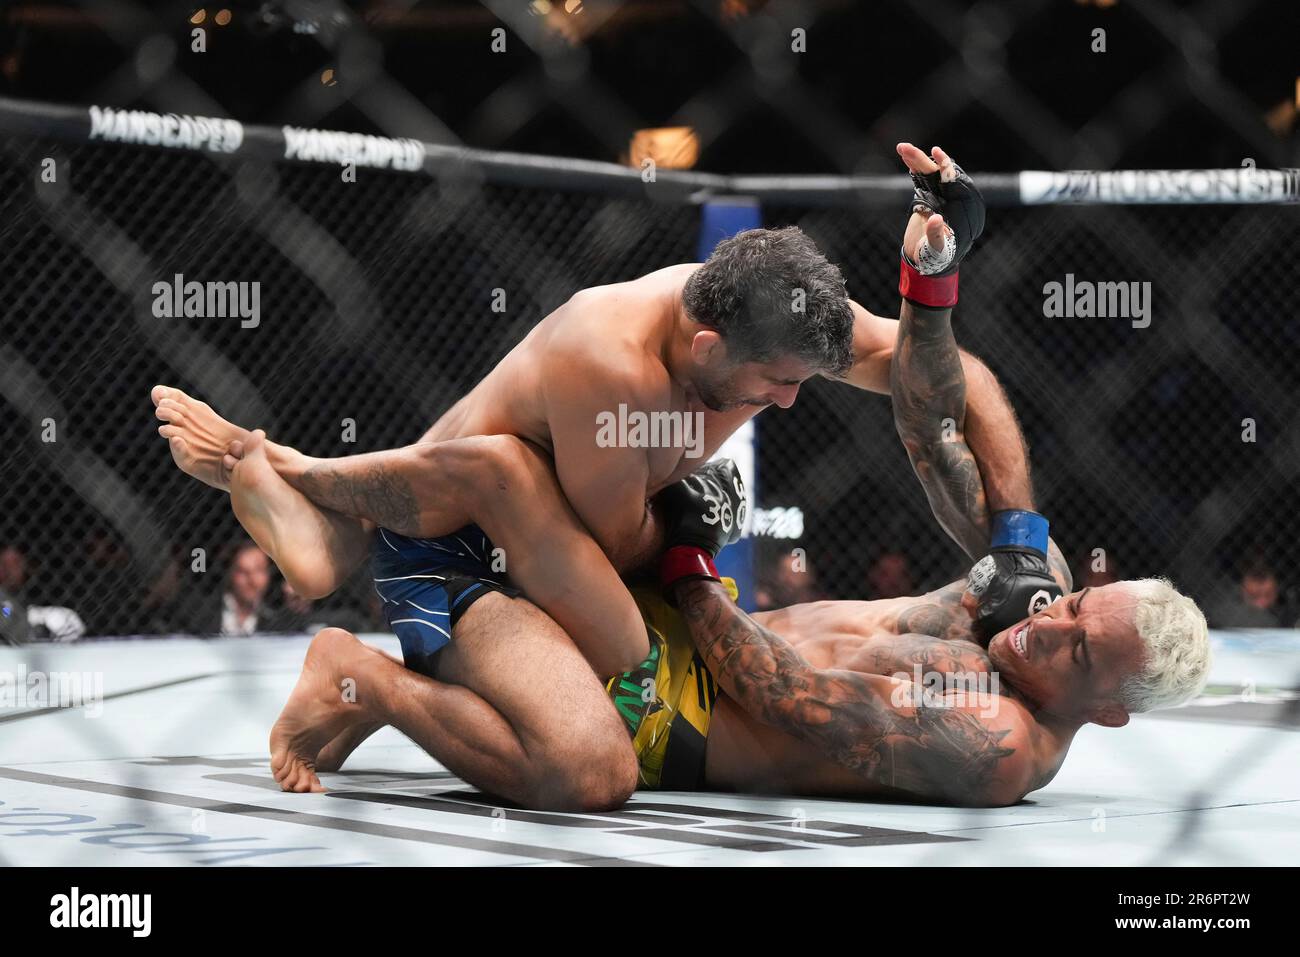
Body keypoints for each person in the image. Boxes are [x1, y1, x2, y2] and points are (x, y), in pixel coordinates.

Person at [155, 145, 1041, 807]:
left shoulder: (783, 313)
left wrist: (1016, 532)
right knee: (591, 771)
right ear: (707, 348)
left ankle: (312, 511)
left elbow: (956, 387)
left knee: (671, 667)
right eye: (777, 383)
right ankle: (363, 670)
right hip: (467, 556)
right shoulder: (610, 365)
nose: (788, 403)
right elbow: (607, 548)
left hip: (568, 551)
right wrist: (689, 532)